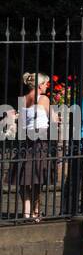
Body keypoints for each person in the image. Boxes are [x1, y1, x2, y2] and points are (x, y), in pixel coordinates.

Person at [6, 74, 51, 222]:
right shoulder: (44, 99)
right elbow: (54, 119)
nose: (47, 86)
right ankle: (36, 212)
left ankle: (26, 212)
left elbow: (23, 124)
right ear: (39, 85)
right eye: (45, 84)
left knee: (25, 177)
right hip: (40, 142)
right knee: (37, 178)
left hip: (26, 143)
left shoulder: (23, 100)